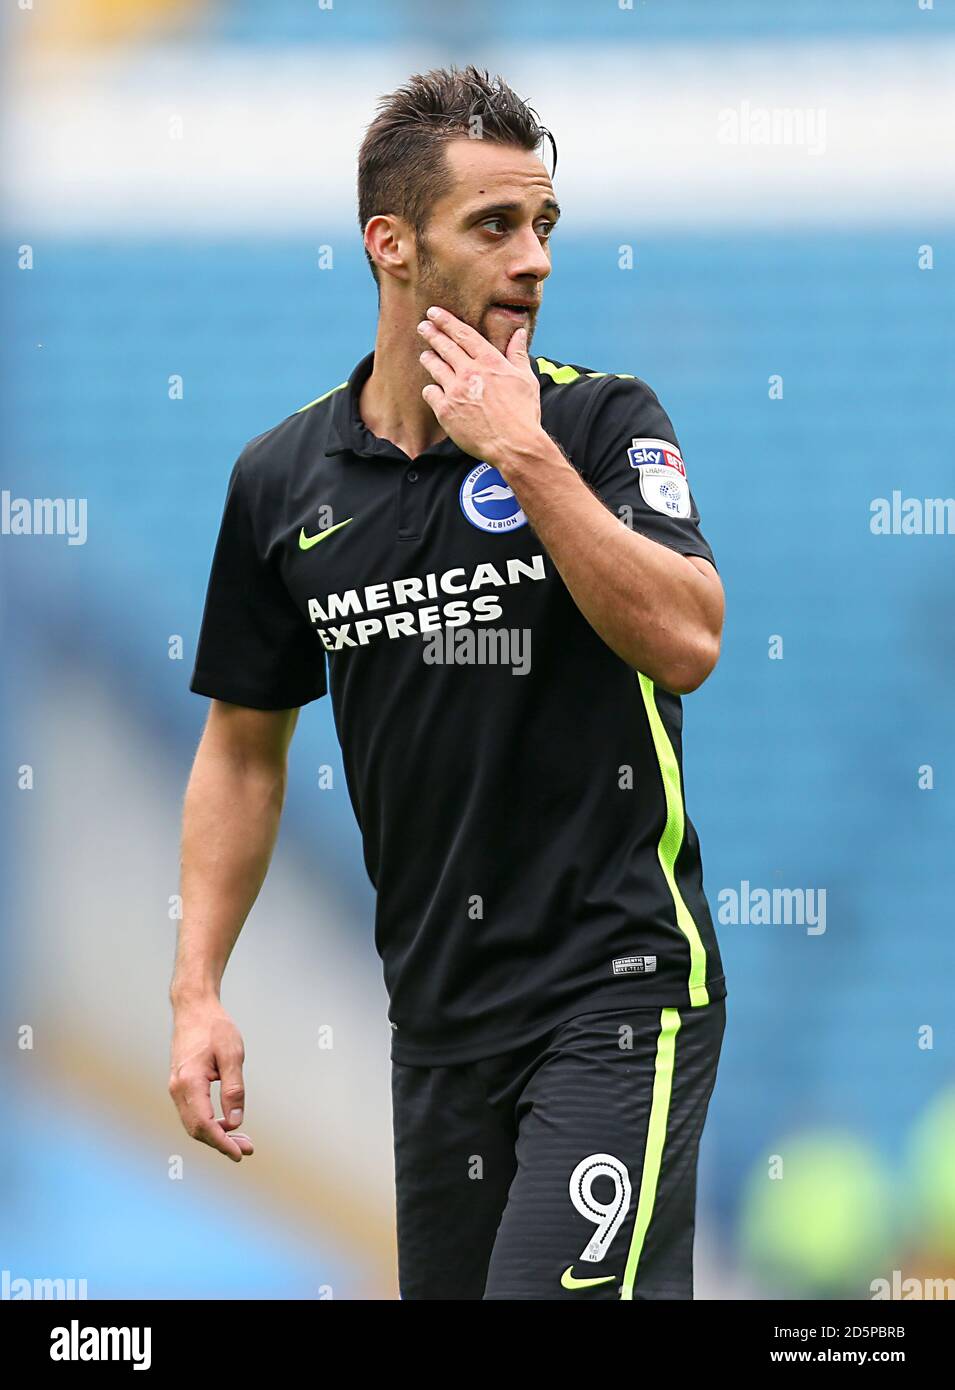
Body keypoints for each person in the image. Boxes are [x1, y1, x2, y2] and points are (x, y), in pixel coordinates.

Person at [169, 64, 727, 1301]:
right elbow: (243, 747)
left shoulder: (597, 425)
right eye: (494, 226)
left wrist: (520, 453)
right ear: (391, 245)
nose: (532, 259)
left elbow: (689, 637)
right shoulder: (283, 482)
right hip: (436, 1029)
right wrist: (197, 988)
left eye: (544, 227)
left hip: (617, 995)